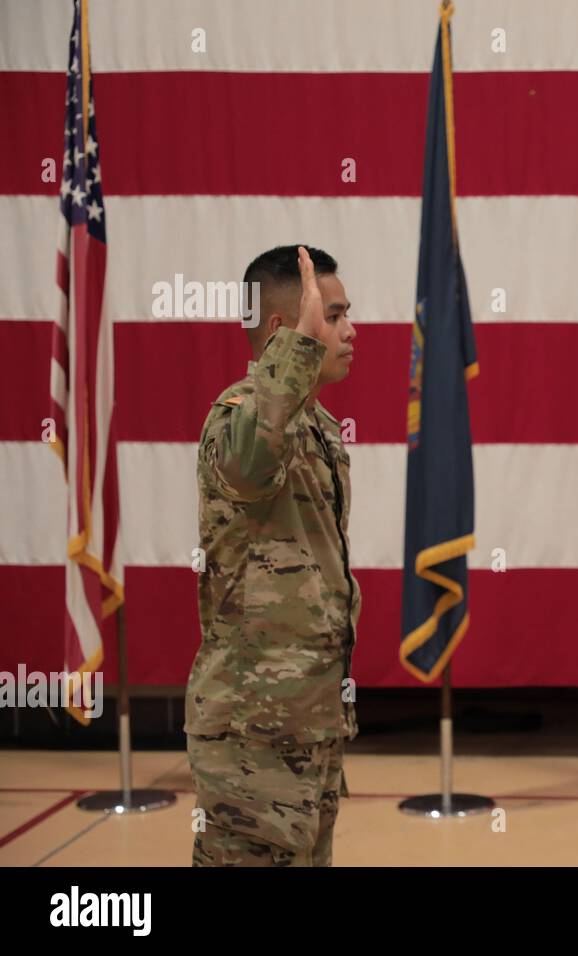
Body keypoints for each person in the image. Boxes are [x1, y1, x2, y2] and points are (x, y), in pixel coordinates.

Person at [185, 245, 360, 866]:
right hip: (251, 740)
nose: (350, 331)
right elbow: (251, 463)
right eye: (332, 316)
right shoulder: (238, 416)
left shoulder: (319, 427)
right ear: (287, 331)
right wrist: (296, 355)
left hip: (307, 728)